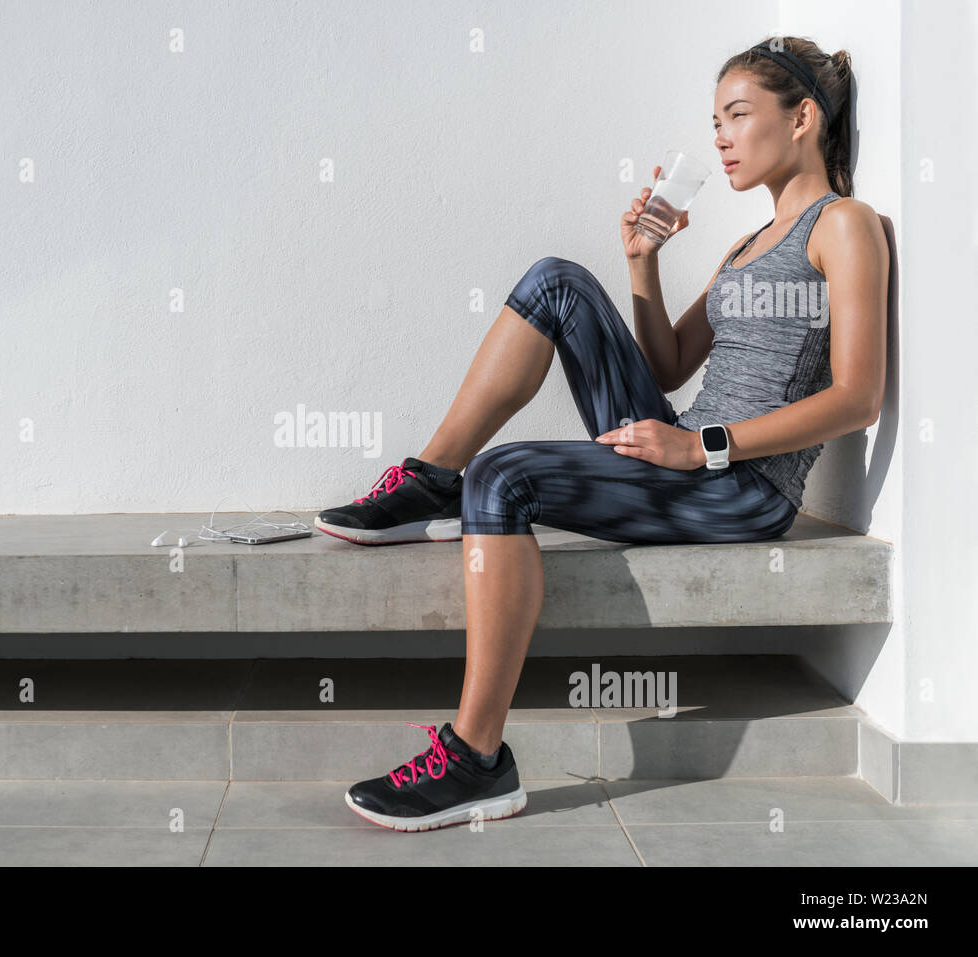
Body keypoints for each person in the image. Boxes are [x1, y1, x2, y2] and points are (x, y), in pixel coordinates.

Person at [317, 36, 889, 832]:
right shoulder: (745, 245)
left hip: (741, 486)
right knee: (557, 281)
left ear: (802, 119)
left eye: (736, 115)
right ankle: (431, 476)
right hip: (689, 453)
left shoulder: (845, 226)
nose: (720, 137)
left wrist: (702, 446)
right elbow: (670, 360)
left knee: (505, 478)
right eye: (714, 120)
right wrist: (643, 263)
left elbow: (859, 396)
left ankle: (476, 758)